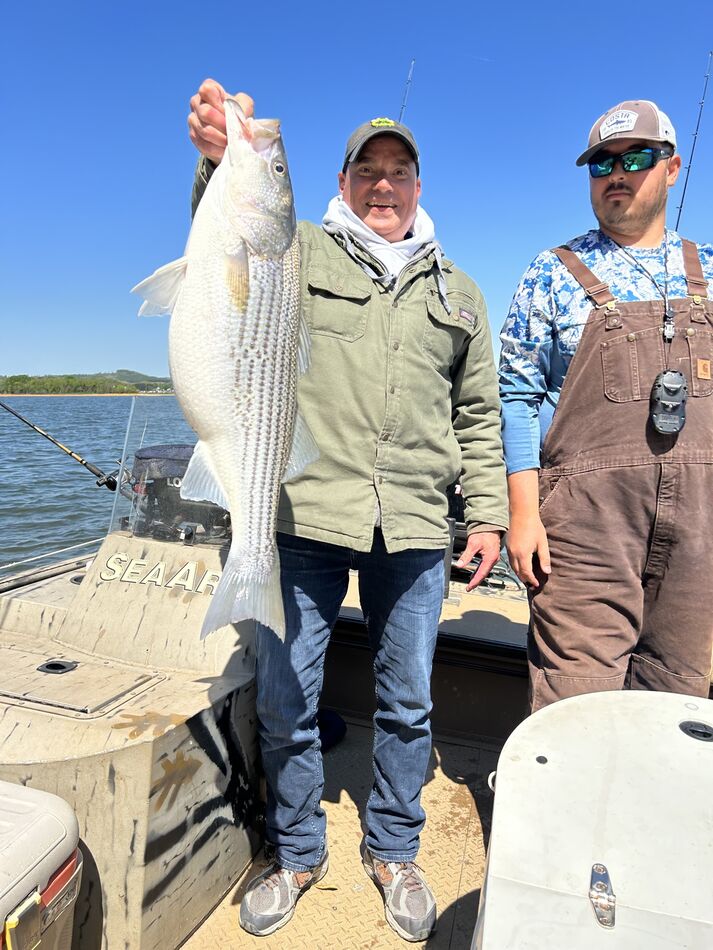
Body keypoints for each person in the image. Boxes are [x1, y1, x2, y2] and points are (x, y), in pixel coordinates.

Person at [188, 79, 508, 940]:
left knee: (408, 703)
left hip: (411, 525)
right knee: (287, 699)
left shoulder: (462, 294)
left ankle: (393, 848)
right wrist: (218, 161)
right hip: (305, 517)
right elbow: (232, 257)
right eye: (366, 169)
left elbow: (479, 415)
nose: (383, 184)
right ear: (342, 179)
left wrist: (486, 515)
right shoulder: (301, 250)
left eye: (399, 170)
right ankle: (294, 852)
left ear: (419, 184)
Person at [499, 99, 713, 713]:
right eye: (601, 164)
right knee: (575, 701)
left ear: (671, 168)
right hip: (586, 530)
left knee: (676, 698)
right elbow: (515, 396)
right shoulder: (552, 271)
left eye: (635, 158)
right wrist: (524, 515)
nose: (616, 173)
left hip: (698, 533)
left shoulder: (707, 269)